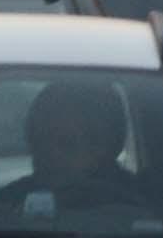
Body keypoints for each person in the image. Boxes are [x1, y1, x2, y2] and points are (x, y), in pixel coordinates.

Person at [18, 79, 139, 217]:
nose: (52, 152)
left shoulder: (142, 205)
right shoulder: (5, 204)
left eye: (67, 143)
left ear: (107, 148)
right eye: (43, 138)